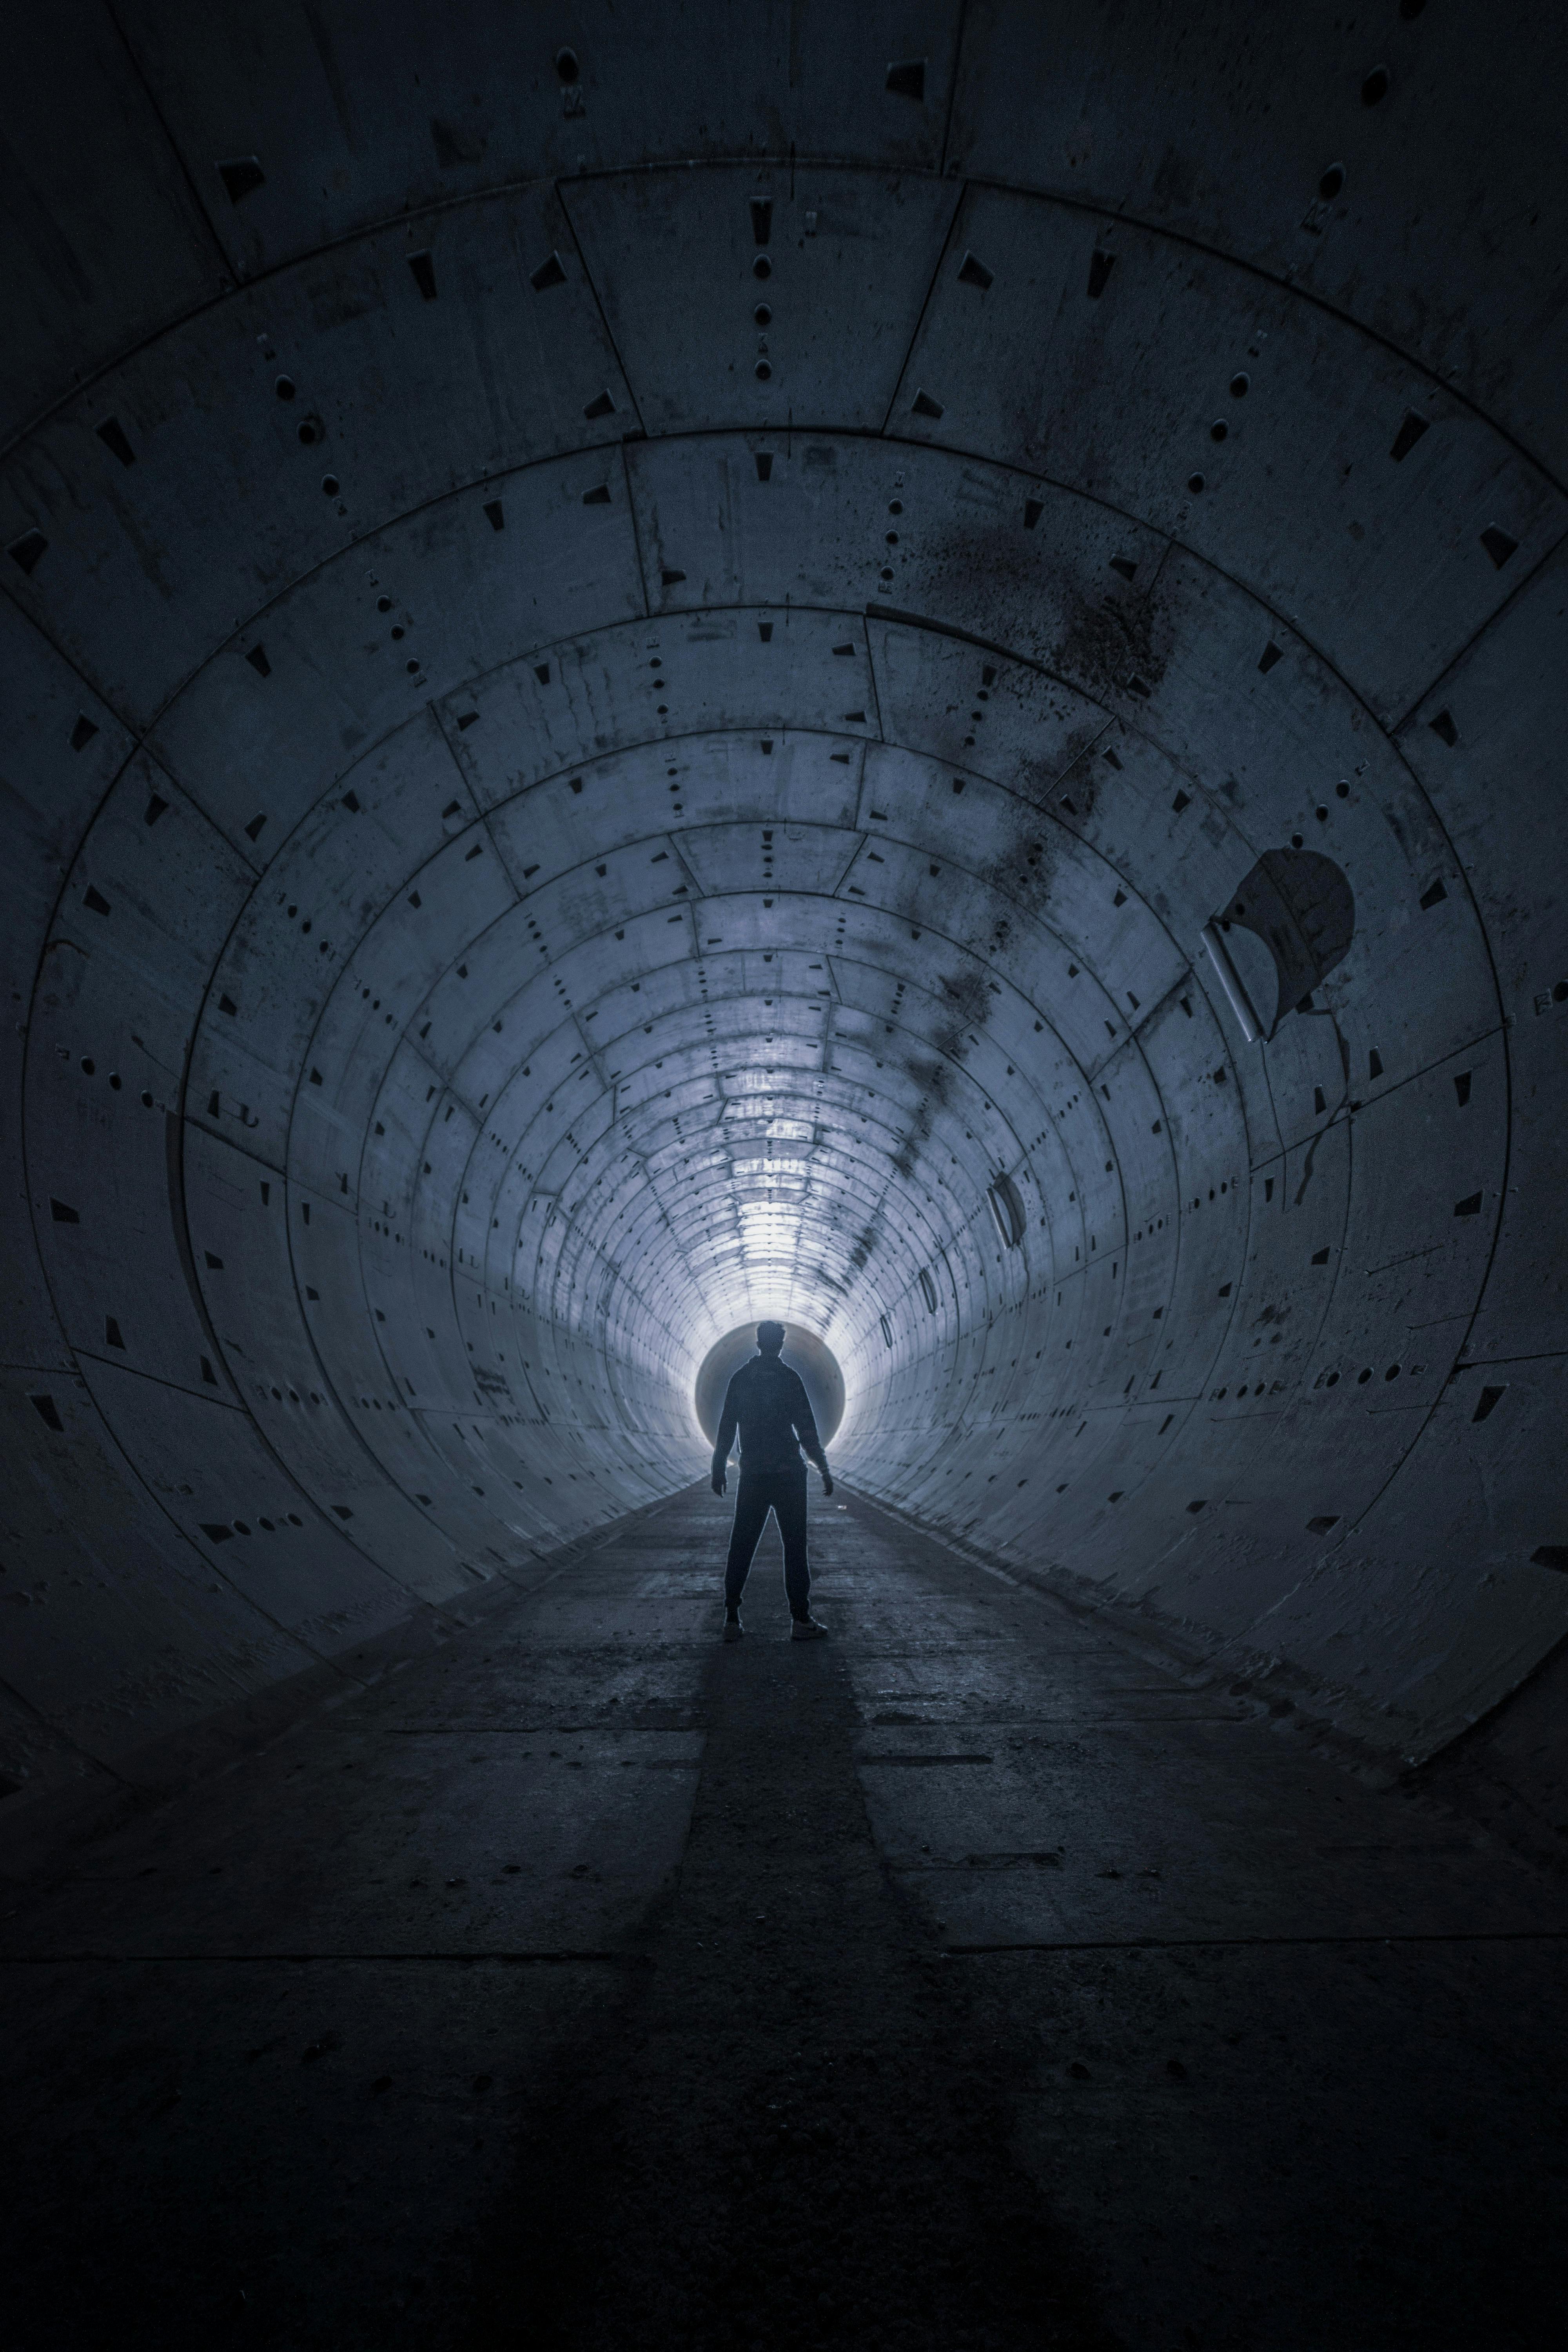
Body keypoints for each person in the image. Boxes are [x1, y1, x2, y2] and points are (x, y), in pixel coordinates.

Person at [711, 1321, 833, 1641]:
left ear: (757, 1342)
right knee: (794, 1547)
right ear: (781, 1344)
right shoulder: (789, 1378)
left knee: (742, 1545)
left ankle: (732, 1619)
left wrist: (718, 1467)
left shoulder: (741, 1379)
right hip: (789, 1475)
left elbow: (726, 1427)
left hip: (753, 1474)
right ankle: (800, 1620)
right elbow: (806, 1429)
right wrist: (823, 1467)